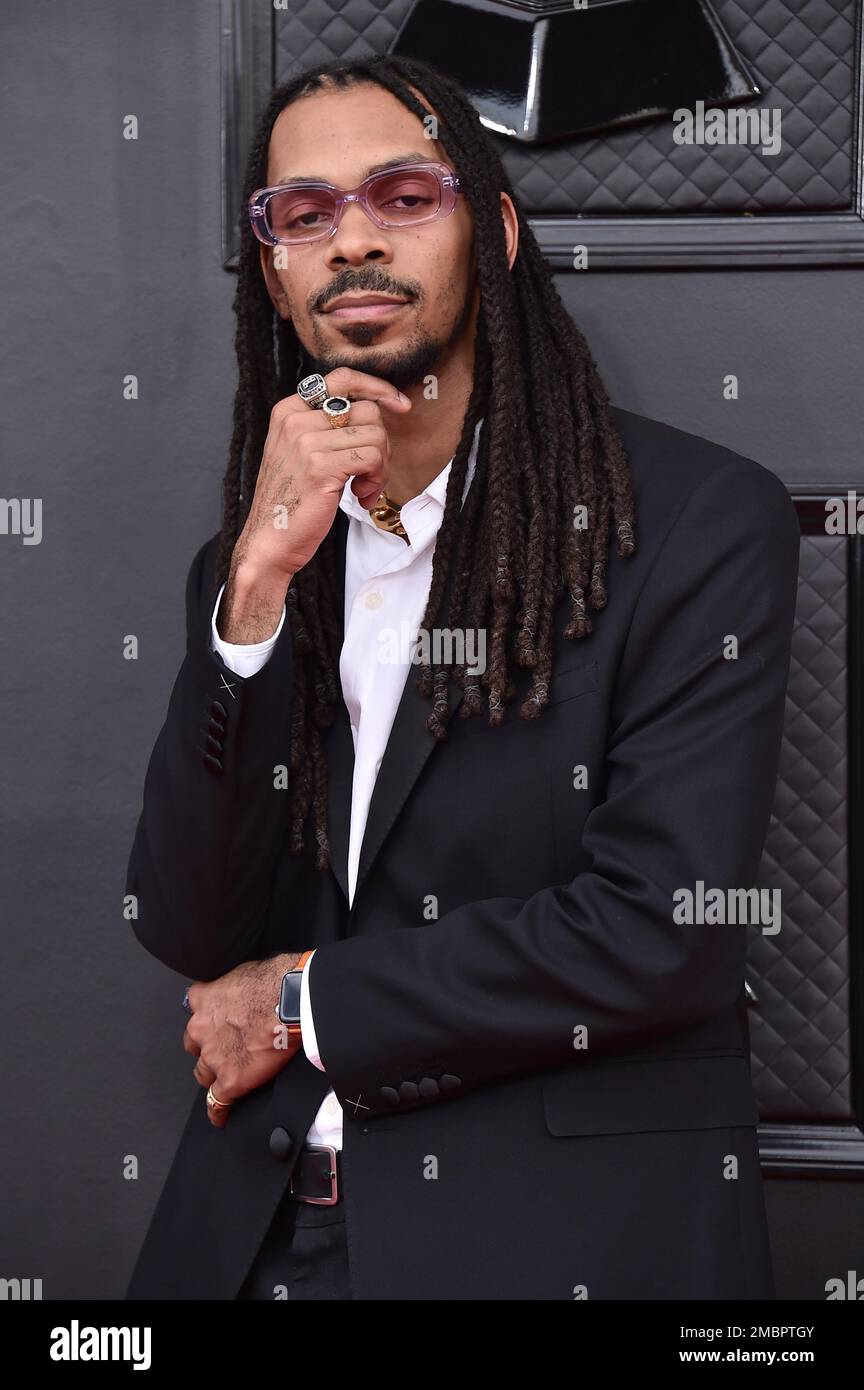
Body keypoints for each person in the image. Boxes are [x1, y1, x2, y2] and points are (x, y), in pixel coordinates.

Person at [124, 53, 799, 1301]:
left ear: (492, 232)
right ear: (274, 271)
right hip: (252, 1239)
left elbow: (664, 930)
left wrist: (301, 999)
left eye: (402, 194)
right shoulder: (254, 556)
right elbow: (186, 925)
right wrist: (253, 602)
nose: (353, 241)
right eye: (306, 215)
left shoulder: (697, 525)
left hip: (551, 1248)